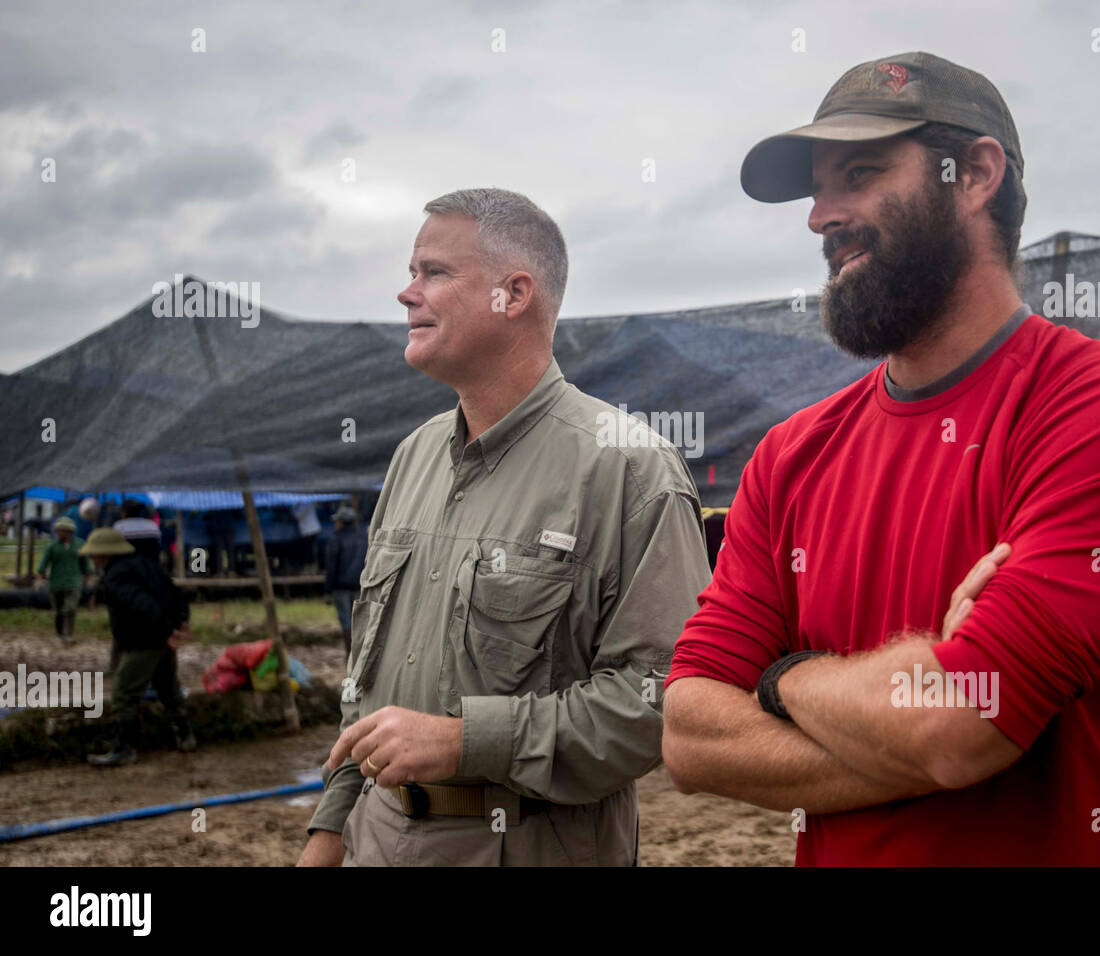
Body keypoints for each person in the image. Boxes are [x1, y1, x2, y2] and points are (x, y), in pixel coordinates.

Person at [662, 52, 1100, 865]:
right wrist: (923, 710)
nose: (820, 217)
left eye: (861, 172)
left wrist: (784, 677)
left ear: (975, 173)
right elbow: (691, 736)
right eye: (815, 189)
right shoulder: (789, 456)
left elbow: (959, 727)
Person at [298, 188, 712, 867]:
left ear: (513, 294)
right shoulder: (413, 457)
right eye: (412, 271)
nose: (407, 293)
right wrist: (331, 824)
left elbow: (664, 699)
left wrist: (466, 741)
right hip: (377, 840)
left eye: (434, 272)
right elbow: (367, 677)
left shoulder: (629, 470)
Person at [80, 527, 197, 766]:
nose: (91, 559)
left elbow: (140, 604)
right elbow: (174, 592)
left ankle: (124, 748)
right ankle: (186, 735)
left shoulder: (117, 576)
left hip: (143, 640)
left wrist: (166, 630)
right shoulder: (147, 565)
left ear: (105, 554)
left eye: (94, 554)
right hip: (162, 638)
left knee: (124, 691)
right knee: (168, 687)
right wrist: (179, 622)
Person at [37, 516, 90, 644]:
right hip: (56, 583)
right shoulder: (52, 547)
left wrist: (86, 577)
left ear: (69, 531)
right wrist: (42, 575)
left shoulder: (79, 544)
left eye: (61, 530)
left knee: (70, 609)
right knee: (59, 611)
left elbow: (85, 564)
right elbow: (43, 565)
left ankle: (67, 635)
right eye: (57, 530)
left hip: (74, 582)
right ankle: (60, 633)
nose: (58, 533)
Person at [323, 504, 365, 654]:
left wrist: (327, 590)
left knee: (346, 621)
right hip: (359, 586)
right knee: (359, 620)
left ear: (340, 522)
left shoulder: (335, 539)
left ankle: (350, 654)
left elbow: (331, 567)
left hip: (340, 587)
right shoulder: (362, 538)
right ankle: (359, 654)